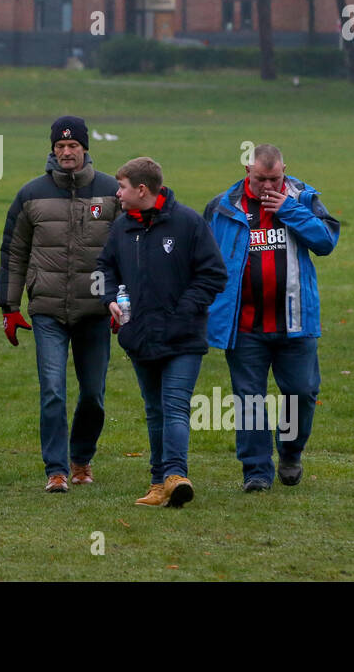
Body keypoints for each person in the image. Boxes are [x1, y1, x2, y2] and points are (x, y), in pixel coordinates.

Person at [203, 144, 341, 492]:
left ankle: (290, 452)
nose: (268, 186)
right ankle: (256, 473)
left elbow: (325, 242)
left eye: (275, 179)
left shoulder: (302, 198)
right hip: (244, 325)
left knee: (301, 393)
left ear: (285, 171)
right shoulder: (222, 205)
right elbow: (204, 257)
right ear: (247, 169)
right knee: (249, 400)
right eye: (261, 178)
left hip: (295, 323)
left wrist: (290, 210)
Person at [0, 115, 119, 492]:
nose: (66, 153)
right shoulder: (30, 194)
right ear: (52, 150)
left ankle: (82, 458)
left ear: (85, 149)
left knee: (94, 395)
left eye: (73, 146)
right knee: (52, 390)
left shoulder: (112, 192)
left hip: (96, 311)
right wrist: (9, 306)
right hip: (47, 309)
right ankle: (56, 469)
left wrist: (122, 302)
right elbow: (13, 252)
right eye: (60, 147)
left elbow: (127, 251)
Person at [98, 157, 227, 509]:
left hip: (183, 336)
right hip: (139, 334)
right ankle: (158, 484)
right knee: (154, 409)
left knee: (174, 406)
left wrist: (184, 309)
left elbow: (214, 274)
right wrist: (110, 298)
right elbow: (105, 267)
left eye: (122, 187)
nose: (117, 193)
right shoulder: (122, 227)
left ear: (142, 189)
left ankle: (175, 475)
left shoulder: (188, 223)